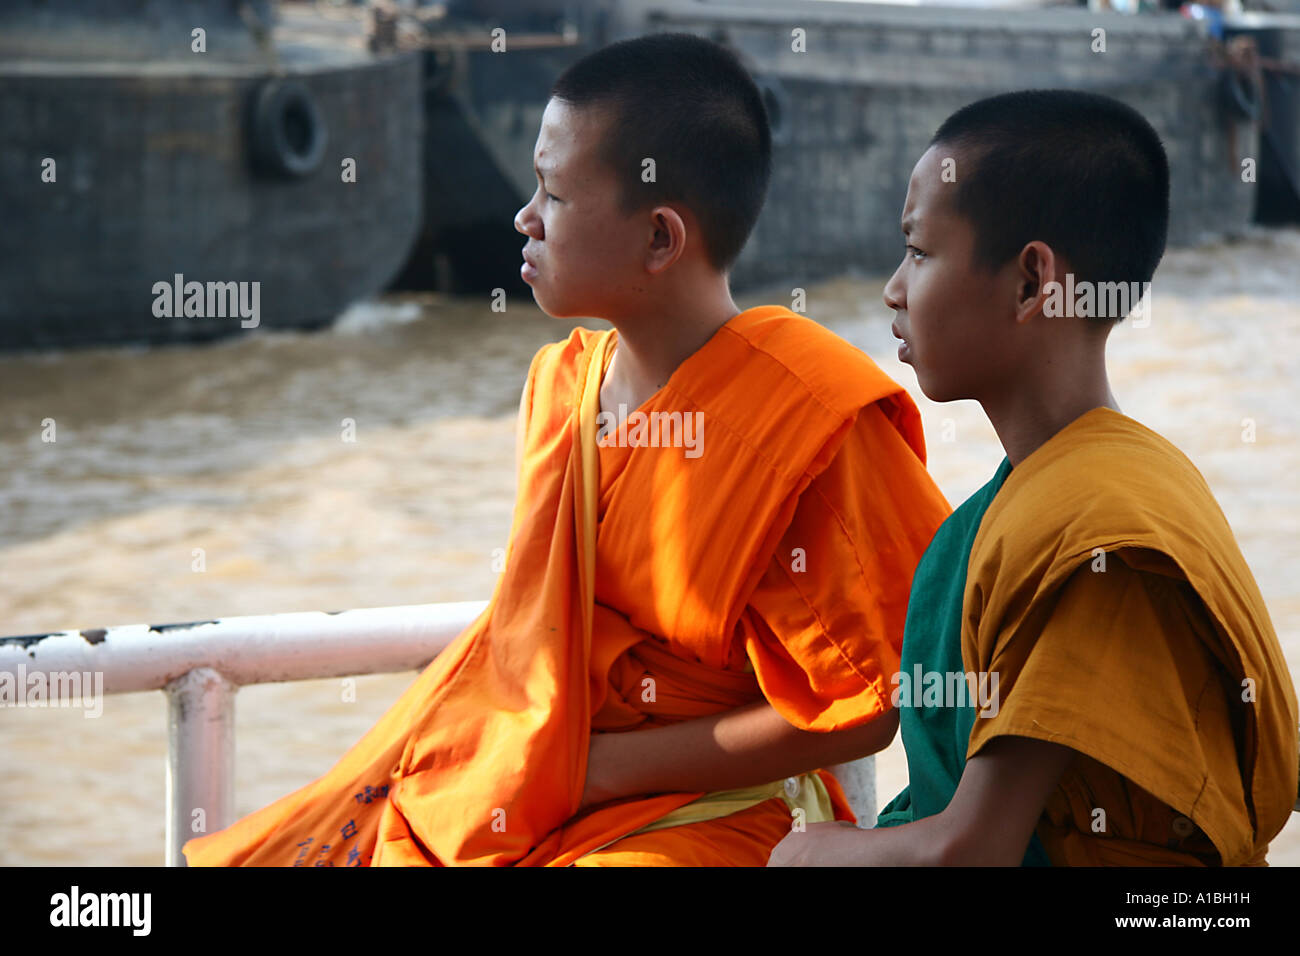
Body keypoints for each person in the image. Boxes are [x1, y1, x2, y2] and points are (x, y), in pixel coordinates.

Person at [183, 32, 951, 867]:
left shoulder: (807, 412)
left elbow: (872, 701)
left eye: (552, 194)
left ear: (660, 239)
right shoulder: (562, 387)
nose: (524, 218)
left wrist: (599, 771)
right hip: (533, 773)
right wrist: (547, 767)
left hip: (703, 814)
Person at [769, 89, 1299, 867]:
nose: (892, 288)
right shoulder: (1034, 499)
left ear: (1030, 282)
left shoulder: (1103, 534)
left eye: (918, 252)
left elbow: (971, 848)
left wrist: (810, 853)